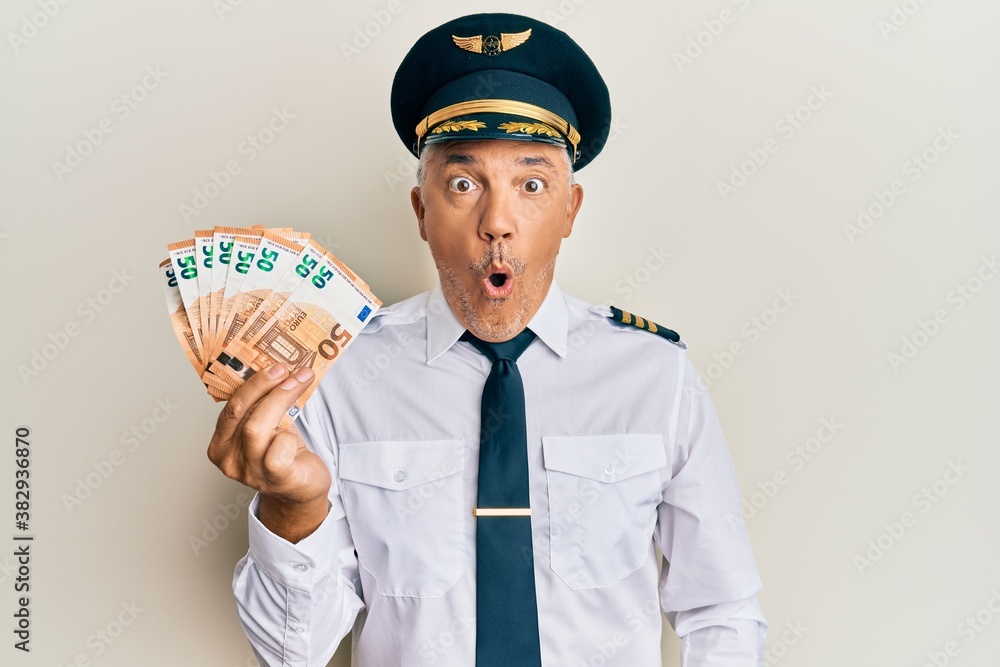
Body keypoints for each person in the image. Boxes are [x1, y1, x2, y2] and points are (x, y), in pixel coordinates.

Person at [208, 12, 767, 666]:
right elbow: (289, 650)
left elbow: (721, 607)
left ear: (570, 210)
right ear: (421, 212)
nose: (496, 222)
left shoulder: (656, 376)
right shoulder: (339, 377)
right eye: (463, 183)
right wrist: (291, 508)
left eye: (531, 185)